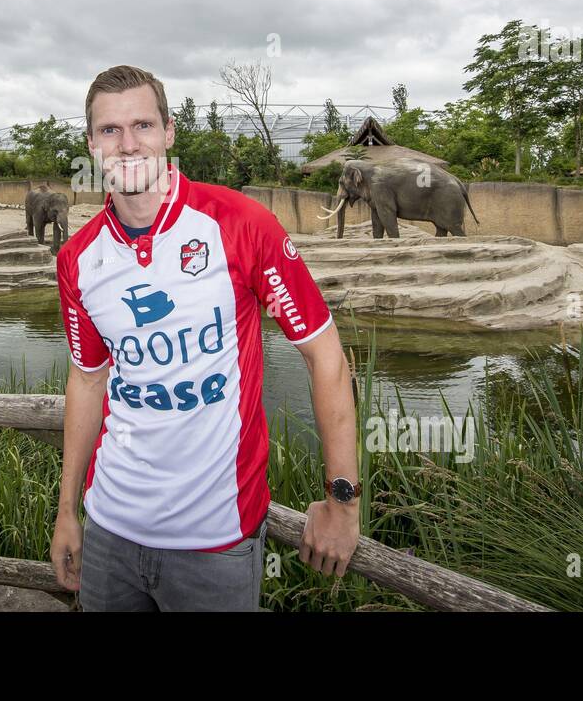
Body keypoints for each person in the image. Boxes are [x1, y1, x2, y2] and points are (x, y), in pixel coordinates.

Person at [49, 64, 361, 611]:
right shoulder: (79, 259)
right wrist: (68, 510)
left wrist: (343, 502)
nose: (128, 144)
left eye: (143, 125)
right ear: (91, 145)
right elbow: (87, 380)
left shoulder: (239, 224)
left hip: (217, 540)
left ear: (169, 133)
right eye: (109, 131)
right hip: (108, 530)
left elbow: (325, 356)